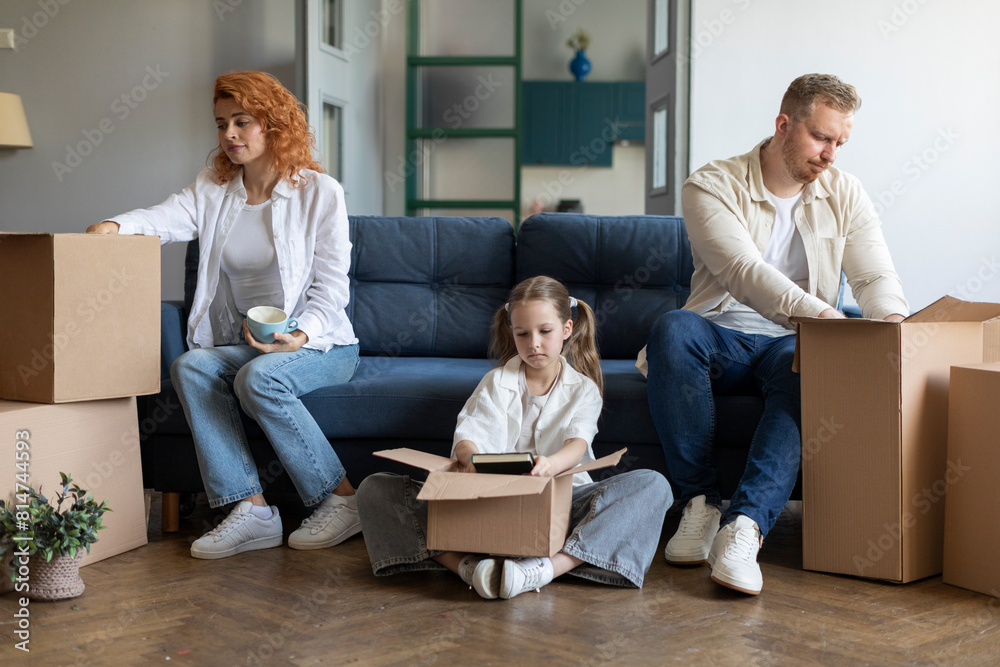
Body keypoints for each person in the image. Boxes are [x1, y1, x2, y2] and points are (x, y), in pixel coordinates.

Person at [639, 74, 908, 595]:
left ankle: (746, 528)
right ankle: (698, 506)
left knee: (805, 364)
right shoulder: (711, 186)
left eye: (841, 143)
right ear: (784, 125)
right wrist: (826, 320)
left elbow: (874, 275)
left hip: (793, 343)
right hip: (720, 333)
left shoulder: (845, 192)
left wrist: (893, 327)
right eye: (822, 138)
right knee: (673, 329)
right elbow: (744, 272)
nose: (831, 154)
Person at [86, 71, 362, 559]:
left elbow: (332, 290)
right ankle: (251, 511)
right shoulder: (214, 189)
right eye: (221, 124)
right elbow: (162, 217)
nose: (229, 135)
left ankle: (342, 501)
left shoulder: (321, 193)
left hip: (323, 344)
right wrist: (115, 225)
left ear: (274, 125)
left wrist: (299, 335)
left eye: (242, 121)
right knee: (191, 365)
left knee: (260, 379)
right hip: (251, 344)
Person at [357, 276, 671, 599]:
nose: (534, 343)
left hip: (562, 501)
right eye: (522, 334)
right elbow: (468, 435)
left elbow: (577, 444)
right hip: (491, 504)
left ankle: (541, 569)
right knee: (375, 488)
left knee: (654, 485)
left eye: (545, 332)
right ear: (512, 333)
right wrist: (469, 459)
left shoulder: (583, 389)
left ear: (567, 329)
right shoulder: (496, 382)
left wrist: (550, 465)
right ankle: (469, 569)